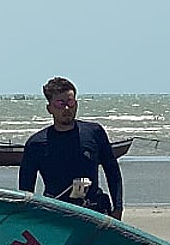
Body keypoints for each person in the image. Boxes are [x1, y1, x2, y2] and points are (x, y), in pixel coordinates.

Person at [19, 77, 124, 220]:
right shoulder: (36, 144)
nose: (66, 108)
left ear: (76, 104)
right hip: (57, 214)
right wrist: (28, 218)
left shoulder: (94, 132)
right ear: (49, 108)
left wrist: (118, 208)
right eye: (60, 104)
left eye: (70, 102)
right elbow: (26, 190)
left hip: (94, 211)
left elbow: (113, 172)